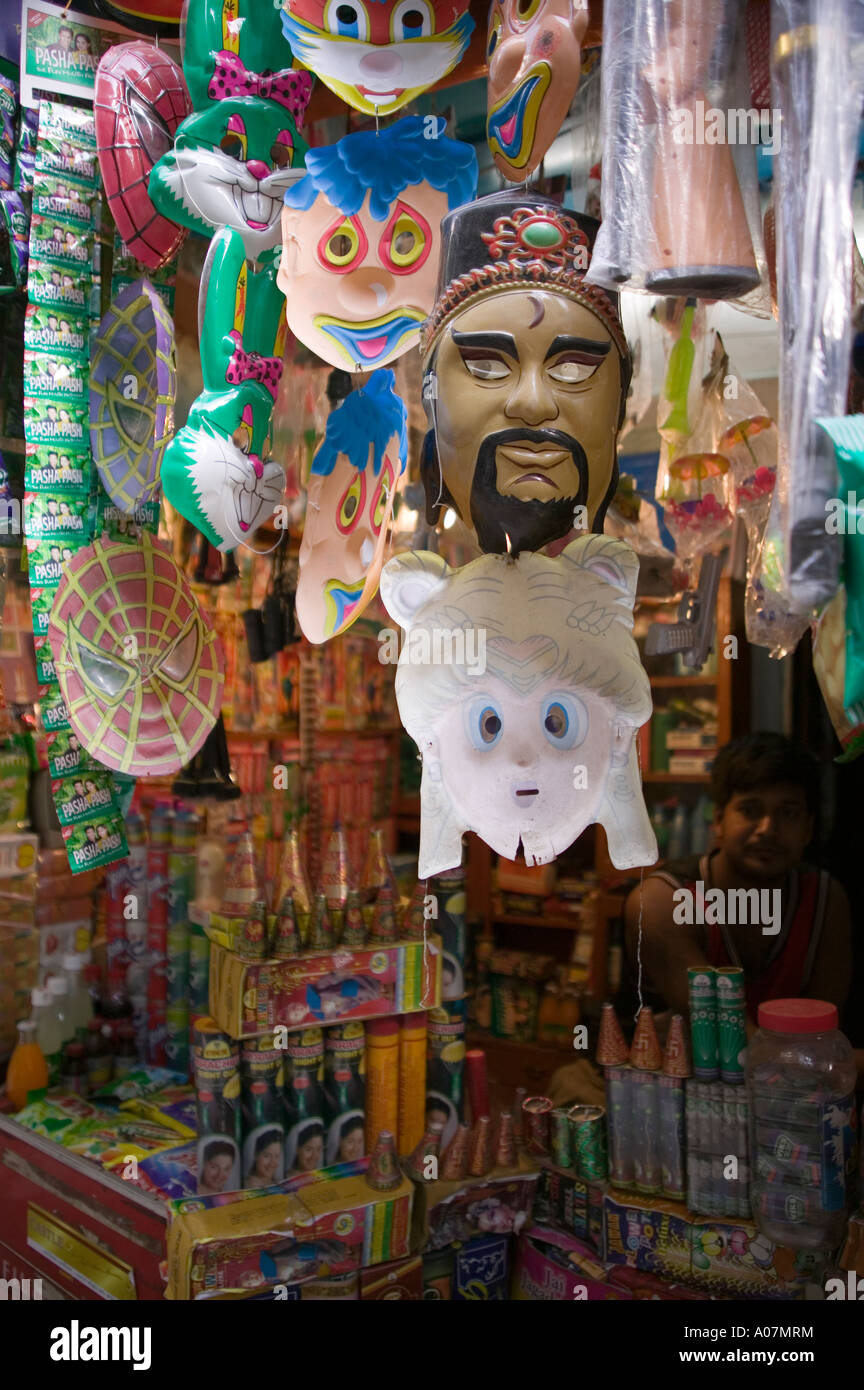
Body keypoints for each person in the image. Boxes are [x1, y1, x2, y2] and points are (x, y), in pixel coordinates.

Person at [623, 733, 852, 1035]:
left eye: (787, 813)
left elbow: (823, 1035)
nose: (767, 829)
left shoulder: (824, 901)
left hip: (788, 1066)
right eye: (750, 810)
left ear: (807, 829)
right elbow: (731, 1035)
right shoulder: (662, 901)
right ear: (718, 820)